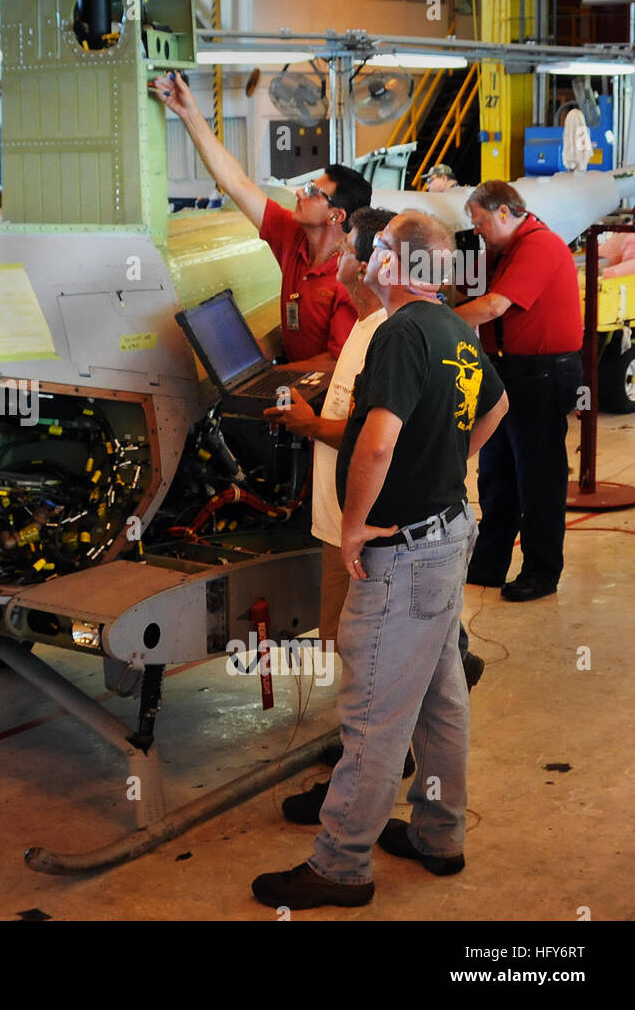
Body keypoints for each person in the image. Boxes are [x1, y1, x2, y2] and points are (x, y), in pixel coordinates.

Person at [251, 211, 507, 909]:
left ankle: (340, 866)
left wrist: (357, 526)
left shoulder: (398, 333)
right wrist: (448, 464)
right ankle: (439, 833)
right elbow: (497, 404)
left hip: (404, 551)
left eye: (380, 248)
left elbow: (376, 442)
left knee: (373, 711)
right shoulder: (454, 328)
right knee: (439, 697)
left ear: (399, 264)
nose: (367, 257)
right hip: (449, 534)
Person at [149, 70, 372, 363]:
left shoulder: (348, 278)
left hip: (325, 399)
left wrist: (276, 378)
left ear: (335, 216)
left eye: (313, 191)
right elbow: (236, 183)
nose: (300, 194)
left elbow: (337, 364)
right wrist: (188, 113)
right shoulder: (294, 237)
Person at [455, 181, 583, 602]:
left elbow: (493, 306)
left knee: (538, 476)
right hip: (506, 369)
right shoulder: (503, 250)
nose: (478, 232)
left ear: (506, 212)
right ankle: (489, 562)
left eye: (481, 223)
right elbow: (475, 295)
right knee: (497, 471)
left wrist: (435, 321)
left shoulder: (538, 246)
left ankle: (541, 572)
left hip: (541, 374)